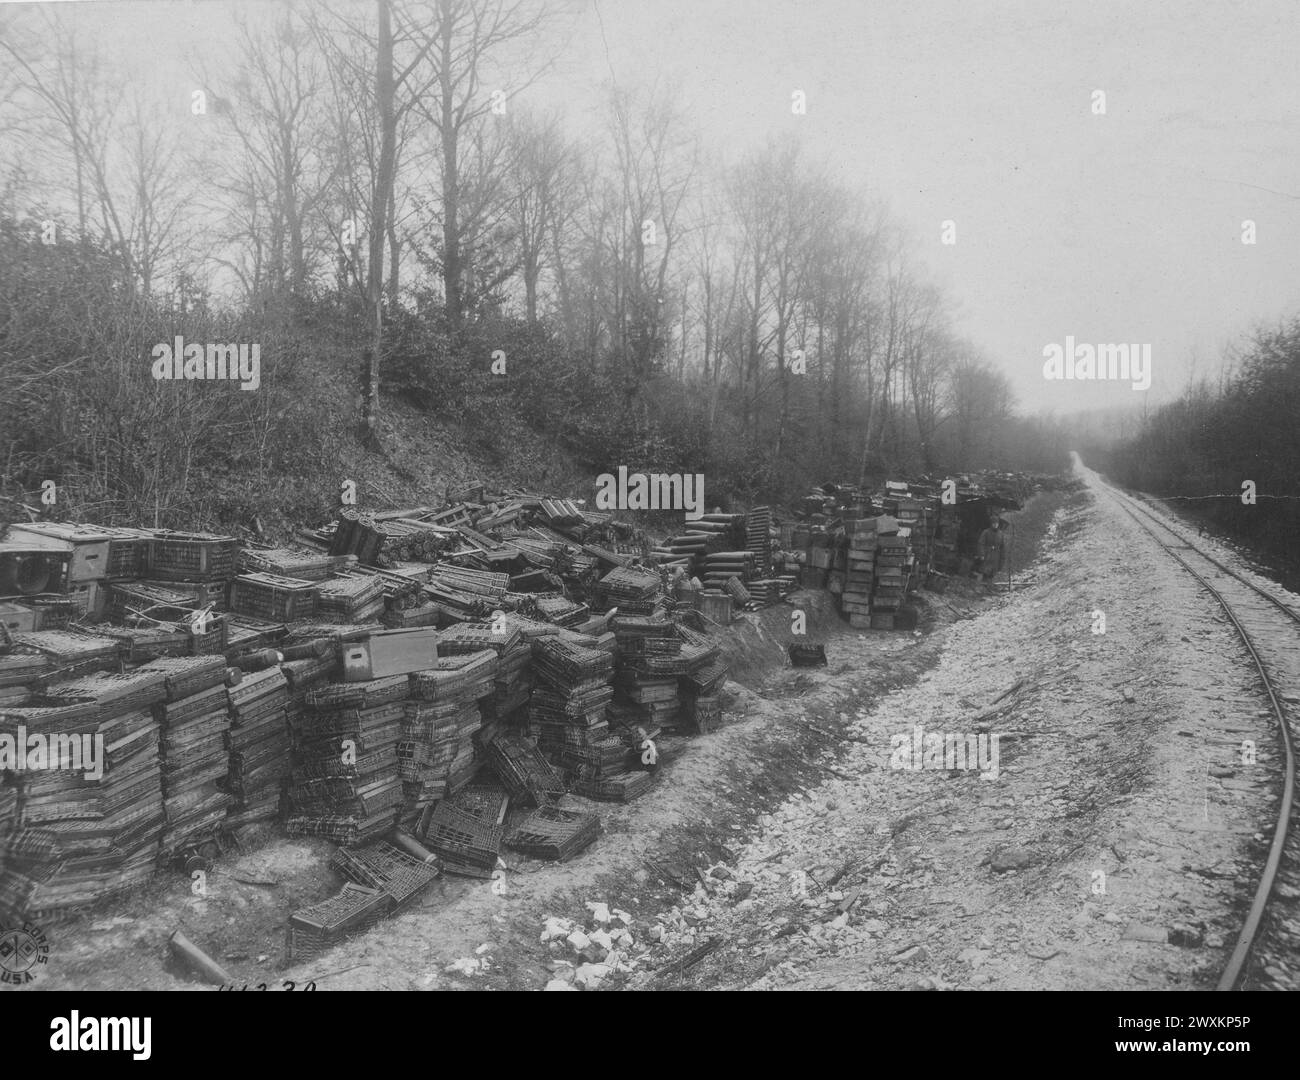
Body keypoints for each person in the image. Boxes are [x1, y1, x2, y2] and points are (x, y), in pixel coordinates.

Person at [976, 517, 1008, 583]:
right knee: (984, 571)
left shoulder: (1000, 534)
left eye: (997, 523)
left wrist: (1002, 557)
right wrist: (982, 554)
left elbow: (1002, 547)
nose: (995, 525)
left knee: (993, 572)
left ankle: (989, 586)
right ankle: (981, 585)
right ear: (991, 524)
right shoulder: (986, 532)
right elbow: (981, 543)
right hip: (987, 554)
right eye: (994, 523)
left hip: (996, 555)